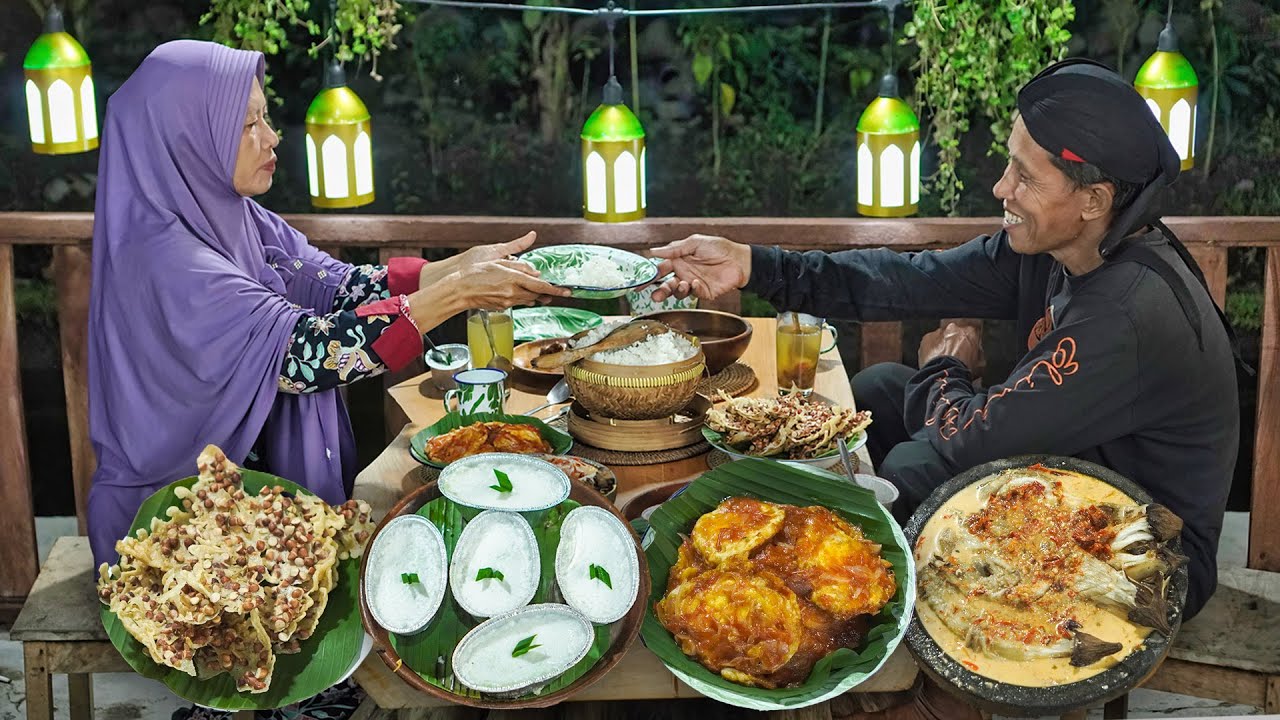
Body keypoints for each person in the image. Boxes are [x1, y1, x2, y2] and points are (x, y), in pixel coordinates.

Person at [650, 58, 1240, 623]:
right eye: (1009, 164)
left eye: (1026, 177)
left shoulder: (1125, 316)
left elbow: (969, 439)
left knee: (913, 466)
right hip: (1068, 473)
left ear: (1094, 200)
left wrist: (946, 366)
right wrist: (757, 266)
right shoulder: (1059, 249)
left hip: (1143, 550)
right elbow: (910, 281)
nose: (1001, 187)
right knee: (881, 387)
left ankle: (862, 618)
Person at [86, 39, 569, 568]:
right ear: (188, 141)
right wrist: (458, 293)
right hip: (176, 534)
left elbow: (334, 285)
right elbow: (305, 355)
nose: (272, 137)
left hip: (248, 509)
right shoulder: (164, 259)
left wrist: (460, 266)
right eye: (248, 125)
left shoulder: (232, 217)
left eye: (265, 116)